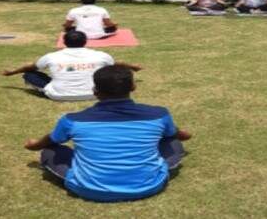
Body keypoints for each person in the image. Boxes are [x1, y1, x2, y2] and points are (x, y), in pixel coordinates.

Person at [24, 65, 193, 202]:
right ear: (133, 87)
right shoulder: (159, 114)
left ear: (95, 90)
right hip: (149, 186)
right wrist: (184, 134)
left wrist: (34, 145)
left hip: (88, 189)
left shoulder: (72, 120)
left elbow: (49, 141)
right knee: (173, 143)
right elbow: (179, 135)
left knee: (49, 151)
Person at [1, 30, 141, 101]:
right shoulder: (100, 55)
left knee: (29, 75)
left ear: (64, 42)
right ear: (85, 41)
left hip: (58, 95)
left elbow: (29, 68)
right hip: (94, 94)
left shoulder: (51, 56)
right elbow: (117, 64)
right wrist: (133, 67)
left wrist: (11, 72)